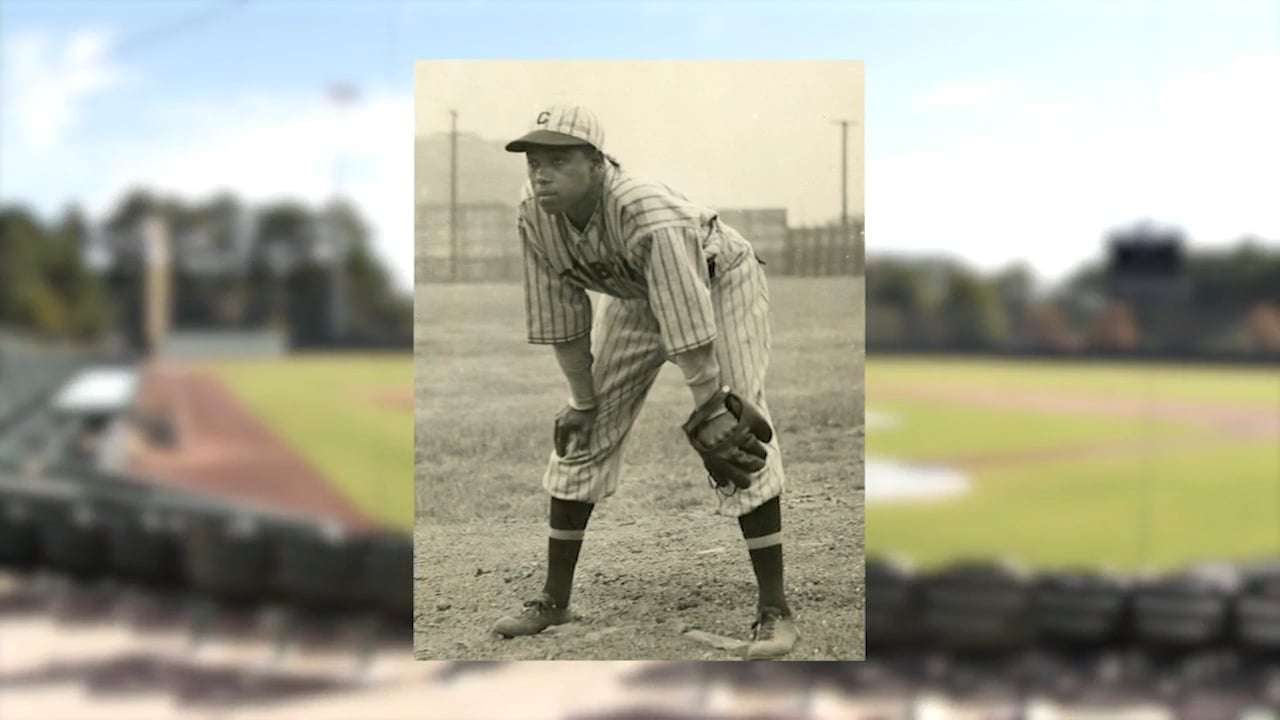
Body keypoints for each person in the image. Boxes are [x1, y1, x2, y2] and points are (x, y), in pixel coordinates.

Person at [492, 104, 798, 659]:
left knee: (736, 433)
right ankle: (554, 600)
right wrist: (581, 401)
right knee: (581, 437)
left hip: (717, 281)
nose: (540, 174)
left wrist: (711, 407)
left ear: (596, 162)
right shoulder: (533, 214)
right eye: (534, 161)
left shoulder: (643, 209)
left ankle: (775, 610)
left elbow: (689, 320)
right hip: (635, 298)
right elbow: (562, 317)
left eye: (558, 161)